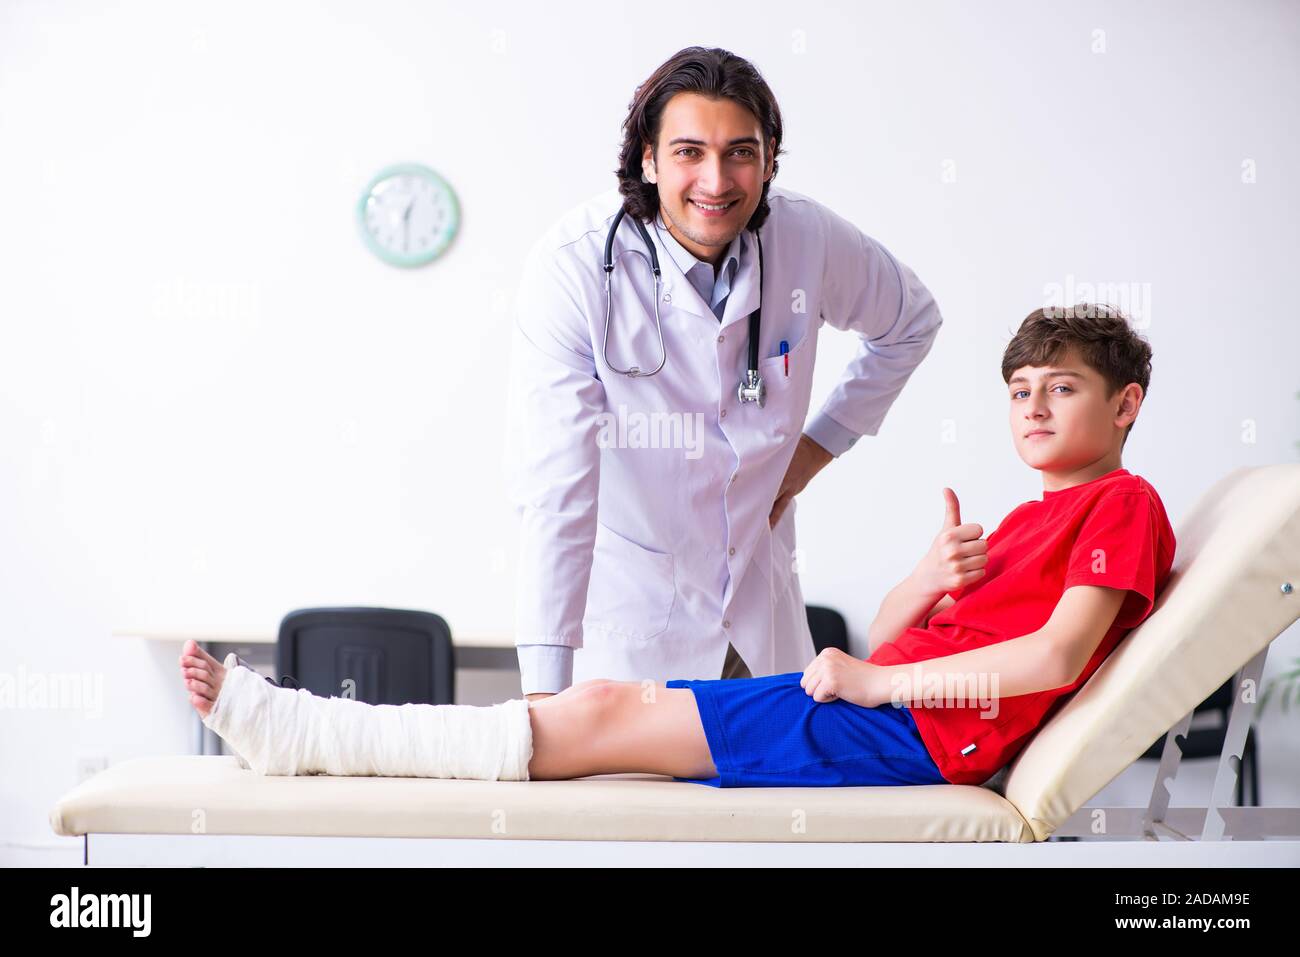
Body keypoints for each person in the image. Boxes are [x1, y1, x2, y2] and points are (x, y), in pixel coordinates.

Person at [181, 305, 1175, 789]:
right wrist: (923, 580)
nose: (1033, 406)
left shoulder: (1122, 505)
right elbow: (884, 637)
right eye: (1018, 390)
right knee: (600, 711)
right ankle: (307, 735)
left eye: (1062, 387)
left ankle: (307, 738)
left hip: (912, 733)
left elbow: (1050, 660)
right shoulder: (1017, 522)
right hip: (884, 712)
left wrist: (874, 687)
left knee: (605, 714)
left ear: (1122, 405)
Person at [504, 46, 943, 701]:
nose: (716, 180)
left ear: (768, 159)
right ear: (647, 159)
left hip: (759, 623)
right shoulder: (573, 268)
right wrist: (543, 695)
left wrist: (811, 454)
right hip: (633, 632)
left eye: (741, 151)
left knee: (770, 798)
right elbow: (555, 492)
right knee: (636, 801)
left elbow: (912, 321)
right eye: (688, 152)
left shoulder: (806, 238)